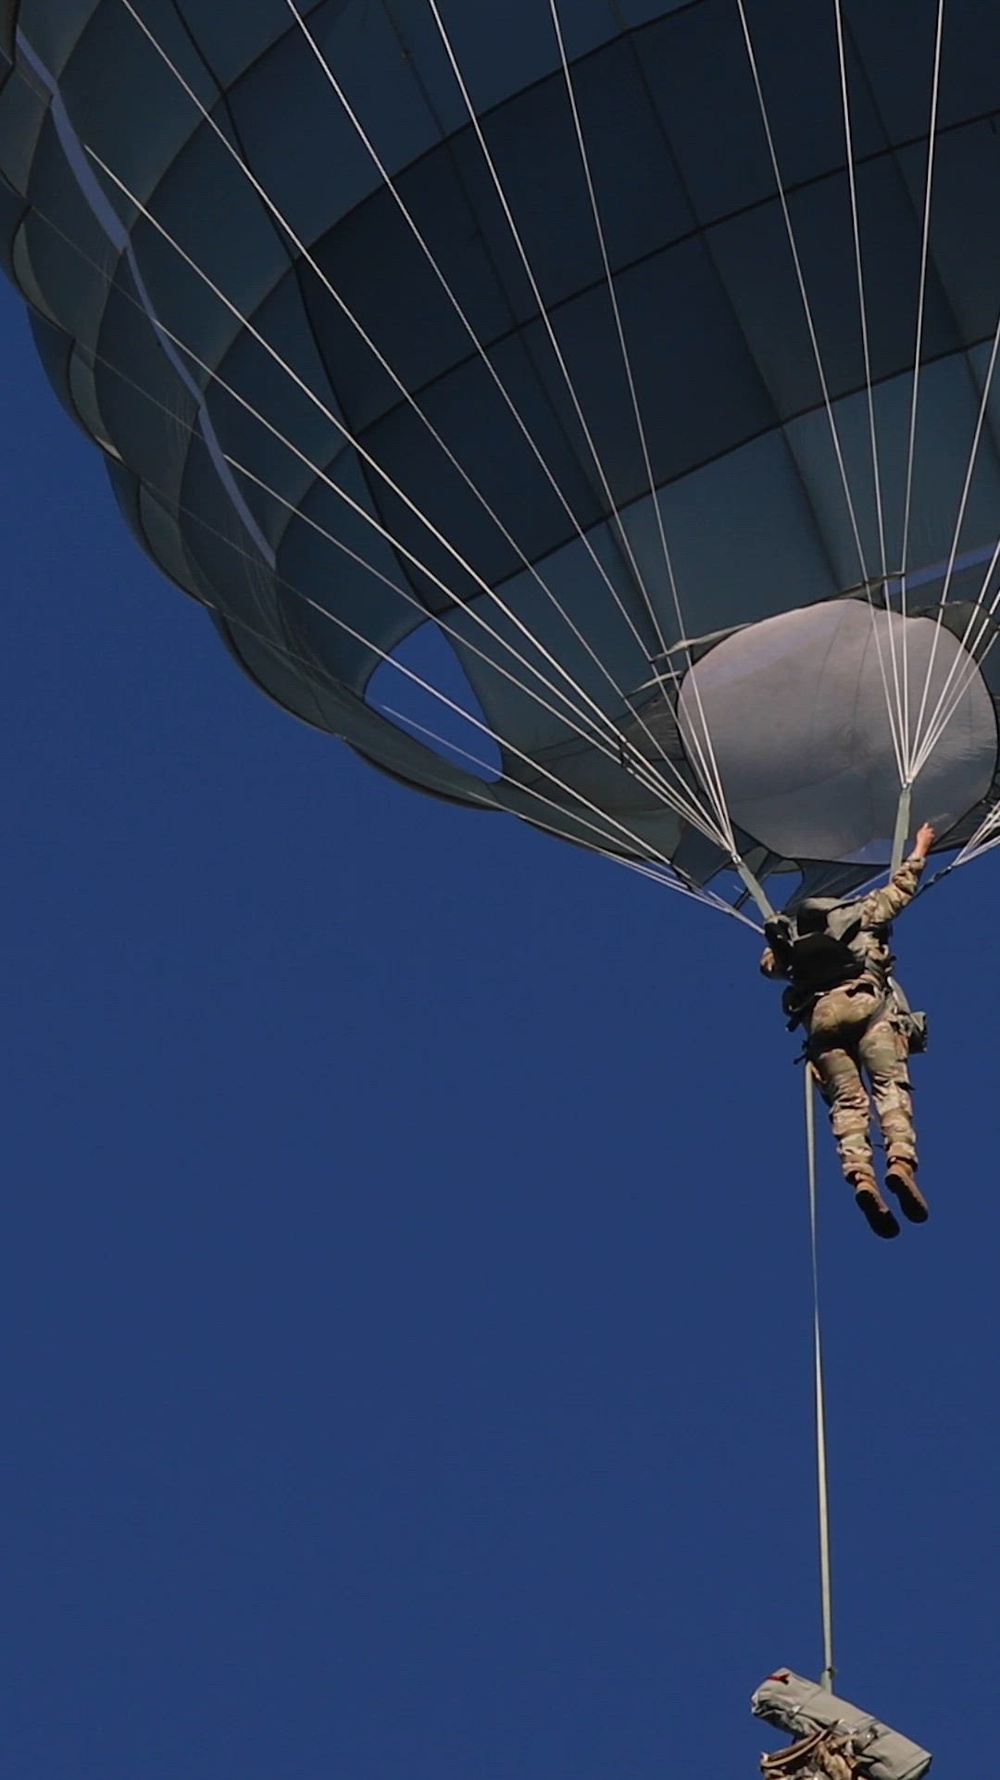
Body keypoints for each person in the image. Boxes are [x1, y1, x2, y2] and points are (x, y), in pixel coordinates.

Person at [759, 824, 935, 1239]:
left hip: (821, 1021)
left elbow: (768, 967)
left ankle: (861, 1178)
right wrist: (922, 847)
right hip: (866, 1005)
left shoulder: (793, 938)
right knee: (889, 1085)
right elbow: (903, 888)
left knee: (847, 1105)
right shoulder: (863, 912)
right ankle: (900, 1163)